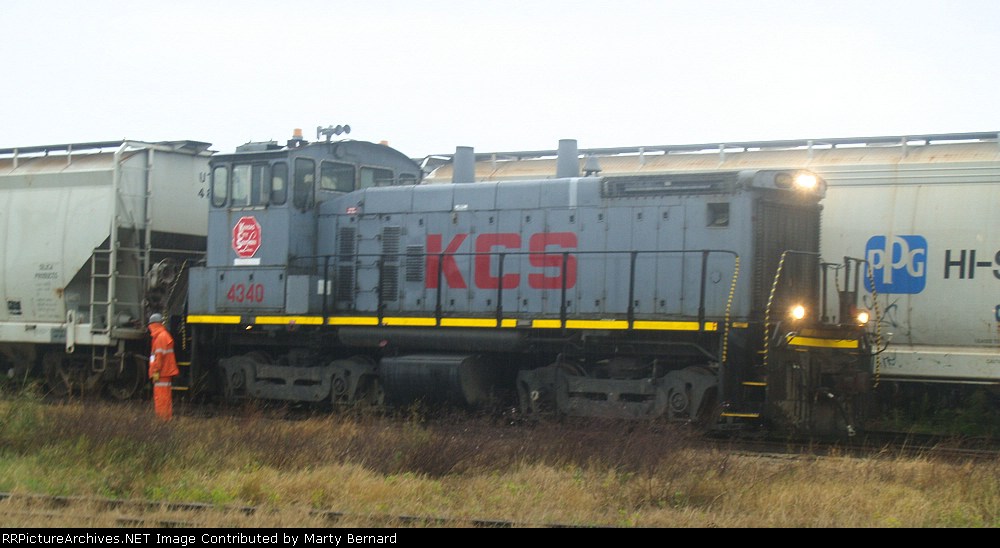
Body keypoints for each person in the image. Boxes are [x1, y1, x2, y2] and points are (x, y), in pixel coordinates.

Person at [148, 313, 179, 421]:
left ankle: (161, 419)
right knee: (165, 397)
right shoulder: (163, 335)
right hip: (165, 372)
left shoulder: (160, 337)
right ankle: (166, 418)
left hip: (161, 373)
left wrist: (155, 371)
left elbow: (158, 357)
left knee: (160, 398)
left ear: (153, 325)